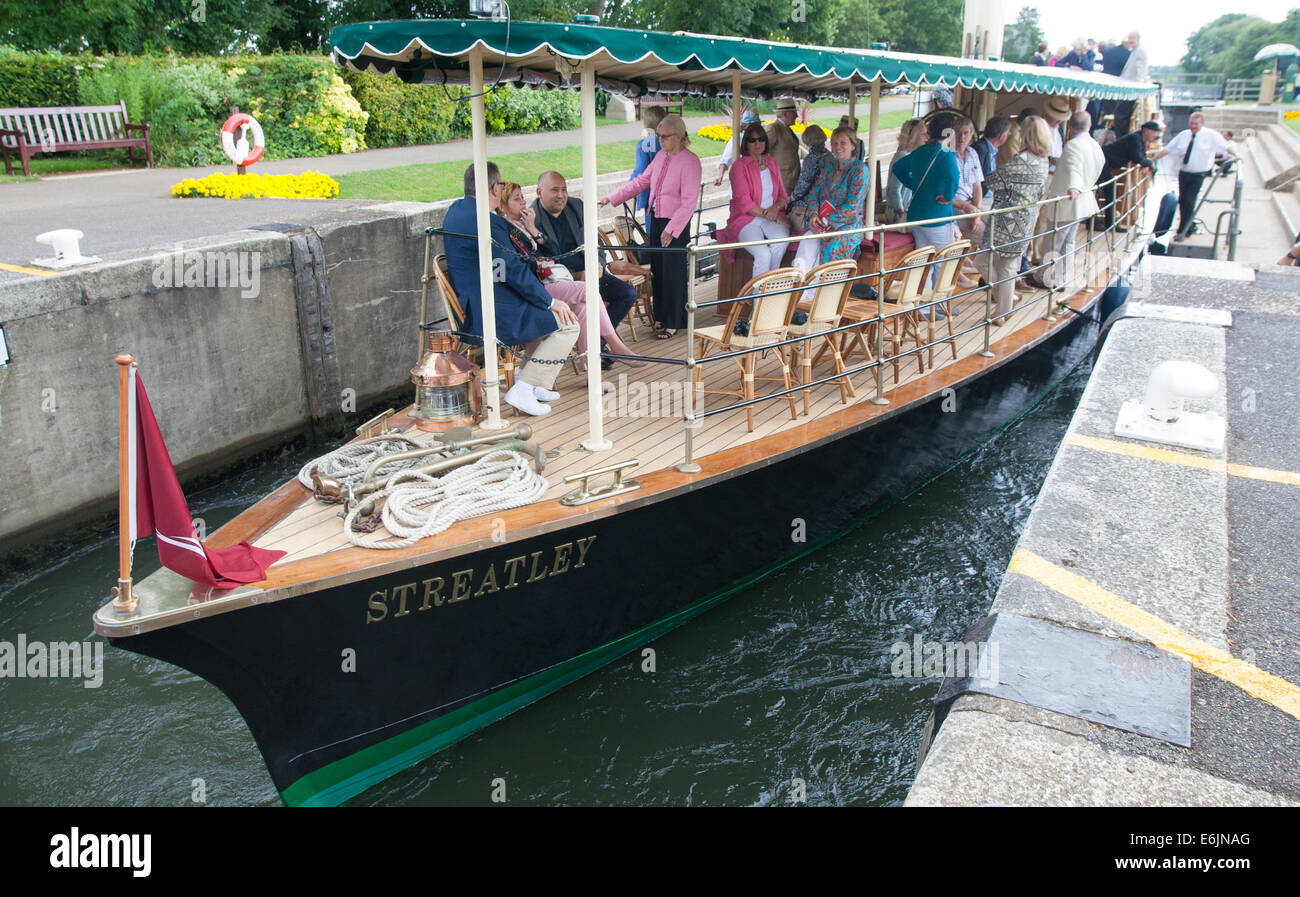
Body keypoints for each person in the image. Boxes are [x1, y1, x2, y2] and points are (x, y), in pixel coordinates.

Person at [443, 162, 580, 417]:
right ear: (495, 188)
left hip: (471, 302)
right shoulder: (486, 221)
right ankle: (524, 387)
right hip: (490, 309)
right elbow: (512, 269)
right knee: (567, 323)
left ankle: (534, 381)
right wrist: (549, 301)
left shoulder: (455, 211)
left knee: (543, 317)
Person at [496, 181, 642, 367]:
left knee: (585, 307)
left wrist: (533, 230)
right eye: (517, 199)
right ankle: (616, 346)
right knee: (588, 291)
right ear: (502, 206)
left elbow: (551, 249)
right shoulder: (507, 229)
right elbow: (518, 263)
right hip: (538, 287)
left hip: (555, 279)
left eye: (523, 197)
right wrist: (539, 262)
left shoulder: (526, 223)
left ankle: (592, 370)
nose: (523, 202)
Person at [599, 114, 702, 340]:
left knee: (673, 272)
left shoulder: (690, 161)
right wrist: (612, 197)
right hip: (657, 218)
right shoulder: (660, 157)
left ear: (680, 135)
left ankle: (673, 321)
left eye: (665, 136)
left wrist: (672, 229)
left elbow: (689, 201)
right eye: (659, 136)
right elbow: (641, 182)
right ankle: (663, 316)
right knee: (659, 270)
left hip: (675, 222)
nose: (661, 140)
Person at [532, 171, 638, 359]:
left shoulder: (577, 207)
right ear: (539, 192)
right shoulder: (533, 218)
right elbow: (537, 260)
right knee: (586, 296)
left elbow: (596, 241)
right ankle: (602, 350)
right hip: (559, 282)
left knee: (626, 293)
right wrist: (573, 276)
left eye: (564, 190)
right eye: (555, 190)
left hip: (589, 273)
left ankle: (599, 344)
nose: (561, 195)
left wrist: (598, 262)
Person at [978, 116, 1051, 322]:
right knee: (1003, 265)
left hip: (1007, 221)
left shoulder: (1022, 161)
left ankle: (1004, 309)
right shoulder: (1042, 161)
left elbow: (992, 181)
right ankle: (1006, 302)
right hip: (1026, 219)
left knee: (989, 262)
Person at [791, 124, 869, 286]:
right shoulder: (829, 168)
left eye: (843, 143)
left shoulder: (859, 170)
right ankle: (802, 294)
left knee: (832, 244)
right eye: (834, 143)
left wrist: (826, 222)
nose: (837, 147)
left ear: (853, 145)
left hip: (846, 227)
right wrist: (813, 214)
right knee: (807, 243)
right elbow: (813, 193)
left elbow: (853, 205)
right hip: (820, 223)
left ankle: (825, 295)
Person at [893, 113, 962, 292]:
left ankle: (920, 304)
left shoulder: (920, 152)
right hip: (937, 216)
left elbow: (898, 168)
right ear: (949, 134)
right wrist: (947, 196)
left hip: (917, 216)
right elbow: (954, 177)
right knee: (942, 262)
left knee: (922, 262)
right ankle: (937, 306)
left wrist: (914, 185)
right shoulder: (945, 154)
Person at [1037, 111, 1105, 290]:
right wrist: (1086, 185)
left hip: (1067, 201)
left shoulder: (1073, 145)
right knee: (1068, 242)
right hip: (1081, 202)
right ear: (1089, 126)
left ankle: (1046, 278)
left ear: (1071, 126)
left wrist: (1075, 187)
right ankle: (1061, 278)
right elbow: (1099, 164)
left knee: (1054, 241)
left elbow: (1074, 168)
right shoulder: (1094, 144)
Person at [717, 121, 792, 278]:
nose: (757, 143)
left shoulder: (772, 163)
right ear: (746, 143)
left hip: (769, 217)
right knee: (763, 254)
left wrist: (775, 208)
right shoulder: (739, 167)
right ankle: (757, 299)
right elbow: (745, 203)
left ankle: (768, 287)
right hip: (746, 219)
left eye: (761, 139)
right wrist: (773, 215)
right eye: (752, 140)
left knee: (782, 241)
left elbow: (783, 197)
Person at [1150, 111, 1230, 241]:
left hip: (1198, 174)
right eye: (1191, 123)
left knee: (1189, 201)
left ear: (1202, 123)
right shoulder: (1183, 135)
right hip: (1184, 173)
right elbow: (1168, 149)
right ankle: (1189, 225)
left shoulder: (1211, 136)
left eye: (1196, 124)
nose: (1193, 126)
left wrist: (1237, 155)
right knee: (1183, 201)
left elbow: (1226, 147)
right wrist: (1153, 159)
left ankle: (1183, 230)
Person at [1096, 120, 1159, 229]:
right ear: (1146, 131)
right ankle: (1100, 223)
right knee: (1104, 190)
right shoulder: (1135, 138)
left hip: (1107, 163)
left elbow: (1141, 156)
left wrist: (1146, 164)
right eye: (1154, 132)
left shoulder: (1140, 139)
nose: (1156, 135)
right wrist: (1150, 164)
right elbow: (1137, 157)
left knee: (1110, 191)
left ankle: (1109, 223)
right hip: (1103, 160)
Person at [787, 124, 830, 230]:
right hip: (828, 200)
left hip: (813, 202)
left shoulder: (811, 159)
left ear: (807, 140)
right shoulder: (830, 155)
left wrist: (791, 199)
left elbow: (803, 185)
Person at [950, 116, 986, 247]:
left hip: (971, 204)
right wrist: (968, 209)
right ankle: (981, 265)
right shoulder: (947, 155)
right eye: (958, 132)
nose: (962, 137)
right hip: (955, 207)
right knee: (986, 236)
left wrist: (976, 212)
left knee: (998, 225)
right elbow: (944, 196)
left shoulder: (972, 153)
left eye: (966, 133)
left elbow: (977, 187)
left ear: (971, 135)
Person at [886, 118, 926, 222]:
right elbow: (894, 189)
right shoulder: (902, 157)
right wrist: (901, 213)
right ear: (914, 136)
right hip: (900, 214)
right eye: (923, 134)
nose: (927, 137)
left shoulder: (909, 155)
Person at [631, 105, 665, 226]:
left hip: (652, 196)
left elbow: (640, 171)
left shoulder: (644, 144)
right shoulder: (671, 141)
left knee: (653, 237)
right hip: (672, 197)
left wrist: (629, 186)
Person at [766, 99, 803, 194]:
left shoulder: (787, 129)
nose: (797, 116)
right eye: (794, 113)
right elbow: (761, 152)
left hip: (791, 183)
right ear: (785, 114)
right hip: (780, 184)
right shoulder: (773, 129)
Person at [715, 108, 759, 185]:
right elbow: (726, 159)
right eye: (755, 125)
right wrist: (720, 176)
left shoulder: (760, 139)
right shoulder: (738, 138)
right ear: (746, 125)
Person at [974, 116, 1011, 207]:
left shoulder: (989, 149)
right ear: (1002, 136)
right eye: (1007, 134)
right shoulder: (980, 149)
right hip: (982, 199)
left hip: (990, 196)